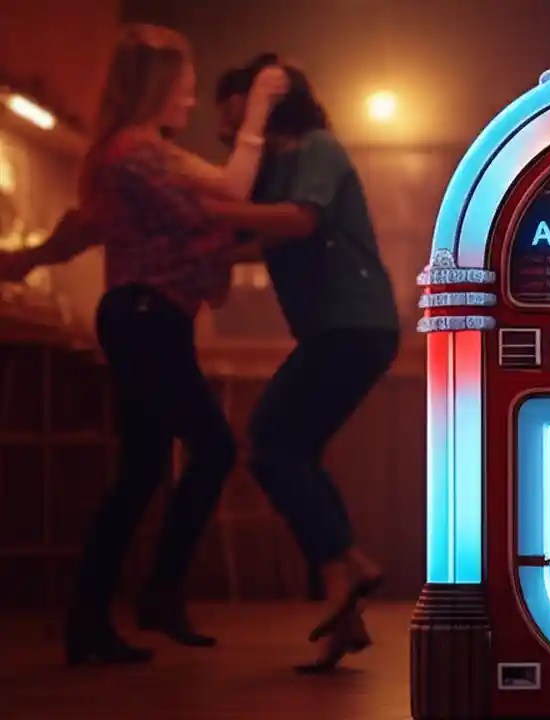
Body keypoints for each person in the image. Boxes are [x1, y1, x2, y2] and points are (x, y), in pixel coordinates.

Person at [0, 24, 285, 664]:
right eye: (183, 89)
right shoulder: (136, 153)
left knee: (143, 471)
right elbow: (231, 194)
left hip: (146, 317)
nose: (189, 102)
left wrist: (24, 261)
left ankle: (95, 619)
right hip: (146, 316)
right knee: (205, 450)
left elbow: (82, 229)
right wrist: (261, 106)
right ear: (157, 87)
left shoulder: (124, 156)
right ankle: (150, 597)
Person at [205, 55, 400, 671]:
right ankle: (346, 601)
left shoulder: (317, 148)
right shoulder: (274, 167)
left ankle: (347, 564)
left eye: (232, 105)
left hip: (354, 325)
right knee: (291, 450)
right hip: (334, 329)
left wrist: (207, 211)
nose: (228, 123)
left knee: (272, 443)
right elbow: (261, 237)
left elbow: (299, 220)